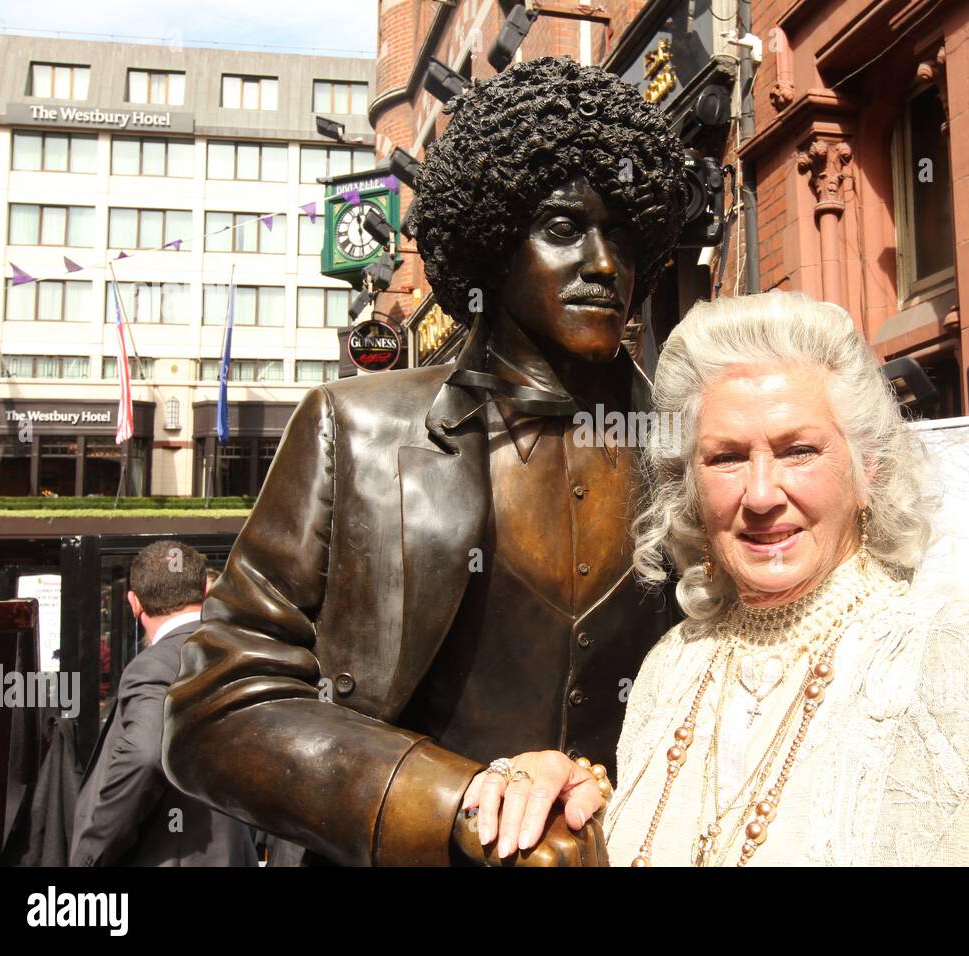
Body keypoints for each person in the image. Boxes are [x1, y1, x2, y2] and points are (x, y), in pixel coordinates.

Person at [163, 57, 687, 866]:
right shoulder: (356, 427)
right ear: (490, 237)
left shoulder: (685, 445)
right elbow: (218, 707)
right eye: (561, 228)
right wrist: (457, 802)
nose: (604, 265)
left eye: (622, 233)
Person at [473, 291, 969, 866]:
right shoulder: (671, 665)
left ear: (868, 469)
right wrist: (570, 807)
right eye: (726, 458)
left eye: (799, 450)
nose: (761, 494)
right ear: (688, 488)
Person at [71, 540, 256, 867]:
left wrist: (89, 856)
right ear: (204, 588)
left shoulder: (155, 665)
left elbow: (145, 756)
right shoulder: (241, 657)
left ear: (133, 603)